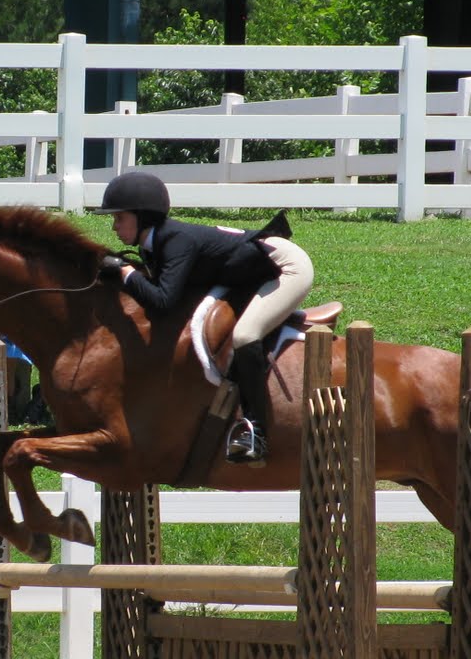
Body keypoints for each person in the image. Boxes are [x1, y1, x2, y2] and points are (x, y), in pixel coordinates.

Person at [98, 171, 313, 464]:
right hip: (245, 272)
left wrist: (125, 272)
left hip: (286, 267)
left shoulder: (174, 240)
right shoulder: (156, 244)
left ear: (142, 216)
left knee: (245, 335)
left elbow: (162, 300)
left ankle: (256, 432)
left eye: (119, 218)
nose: (114, 226)